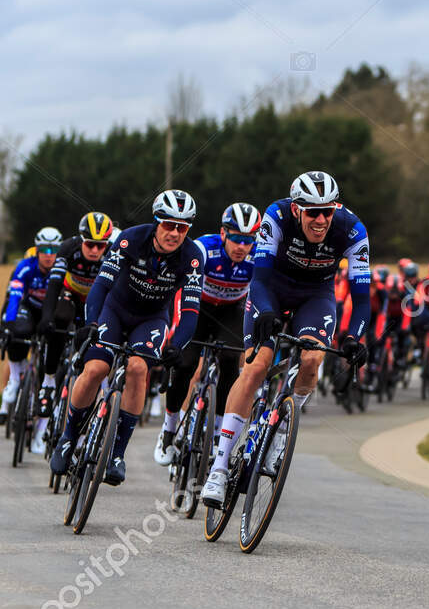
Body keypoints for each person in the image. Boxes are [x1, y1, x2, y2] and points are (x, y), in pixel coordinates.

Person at [199, 171, 371, 507]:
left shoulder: (353, 230)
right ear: (296, 210)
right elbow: (259, 279)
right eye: (312, 212)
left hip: (315, 295)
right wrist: (264, 311)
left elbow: (361, 298)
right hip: (272, 290)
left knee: (311, 359)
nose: (321, 219)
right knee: (256, 365)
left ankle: (281, 430)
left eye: (327, 211)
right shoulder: (275, 216)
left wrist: (354, 337)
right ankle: (218, 468)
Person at [48, 191, 204, 486]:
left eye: (182, 228)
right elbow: (101, 286)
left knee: (137, 369)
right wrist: (92, 322)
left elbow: (191, 311)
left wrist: (177, 346)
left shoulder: (192, 257)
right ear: (157, 222)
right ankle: (68, 438)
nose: (174, 233)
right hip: (114, 310)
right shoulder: (131, 240)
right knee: (95, 369)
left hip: (151, 319)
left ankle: (117, 453)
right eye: (169, 225)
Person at [153, 202, 261, 465]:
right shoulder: (204, 248)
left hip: (231, 312)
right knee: (186, 363)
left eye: (248, 240)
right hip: (198, 308)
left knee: (228, 362)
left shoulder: (258, 256)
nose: (241, 247)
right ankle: (168, 429)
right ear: (223, 234)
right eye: (235, 238)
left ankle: (216, 433)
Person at [33, 211, 114, 446]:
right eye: (90, 244)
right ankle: (48, 383)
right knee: (58, 319)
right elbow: (53, 287)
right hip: (70, 295)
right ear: (81, 239)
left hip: (96, 302)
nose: (95, 251)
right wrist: (46, 318)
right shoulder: (68, 249)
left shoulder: (112, 255)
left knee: (95, 339)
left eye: (100, 246)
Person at [0, 227, 61, 426]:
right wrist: (7, 324)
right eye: (44, 251)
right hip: (30, 308)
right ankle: (15, 379)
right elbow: (13, 298)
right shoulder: (25, 267)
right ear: (37, 250)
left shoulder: (62, 269)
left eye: (53, 251)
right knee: (17, 332)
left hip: (51, 311)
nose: (49, 256)